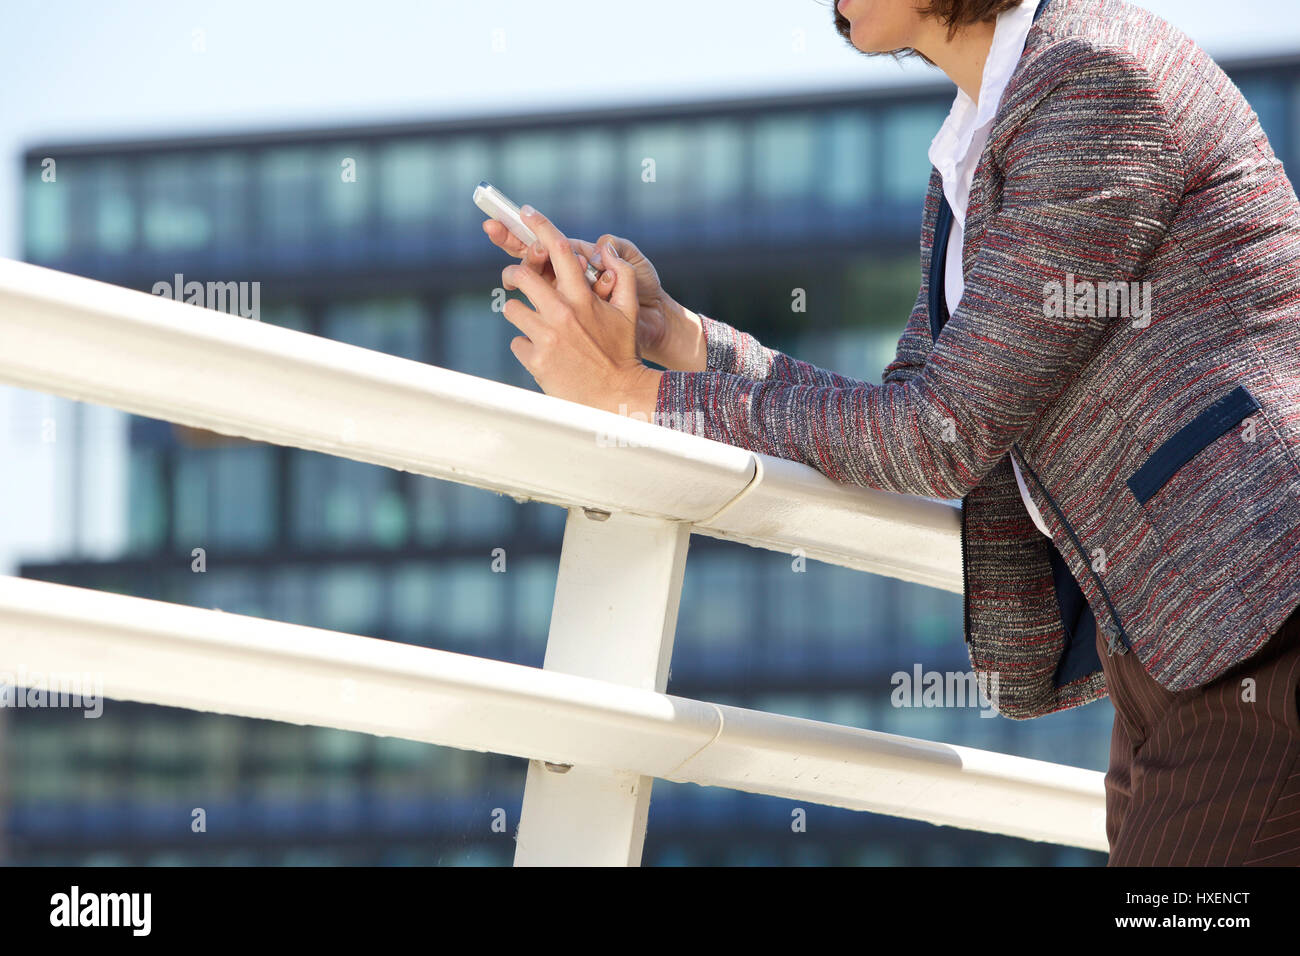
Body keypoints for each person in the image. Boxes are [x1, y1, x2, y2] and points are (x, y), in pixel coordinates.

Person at [482, 0, 1300, 866]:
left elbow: (940, 433)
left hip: (1260, 610)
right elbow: (906, 407)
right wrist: (675, 339)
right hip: (1176, 647)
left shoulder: (1095, 82)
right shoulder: (980, 136)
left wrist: (634, 397)